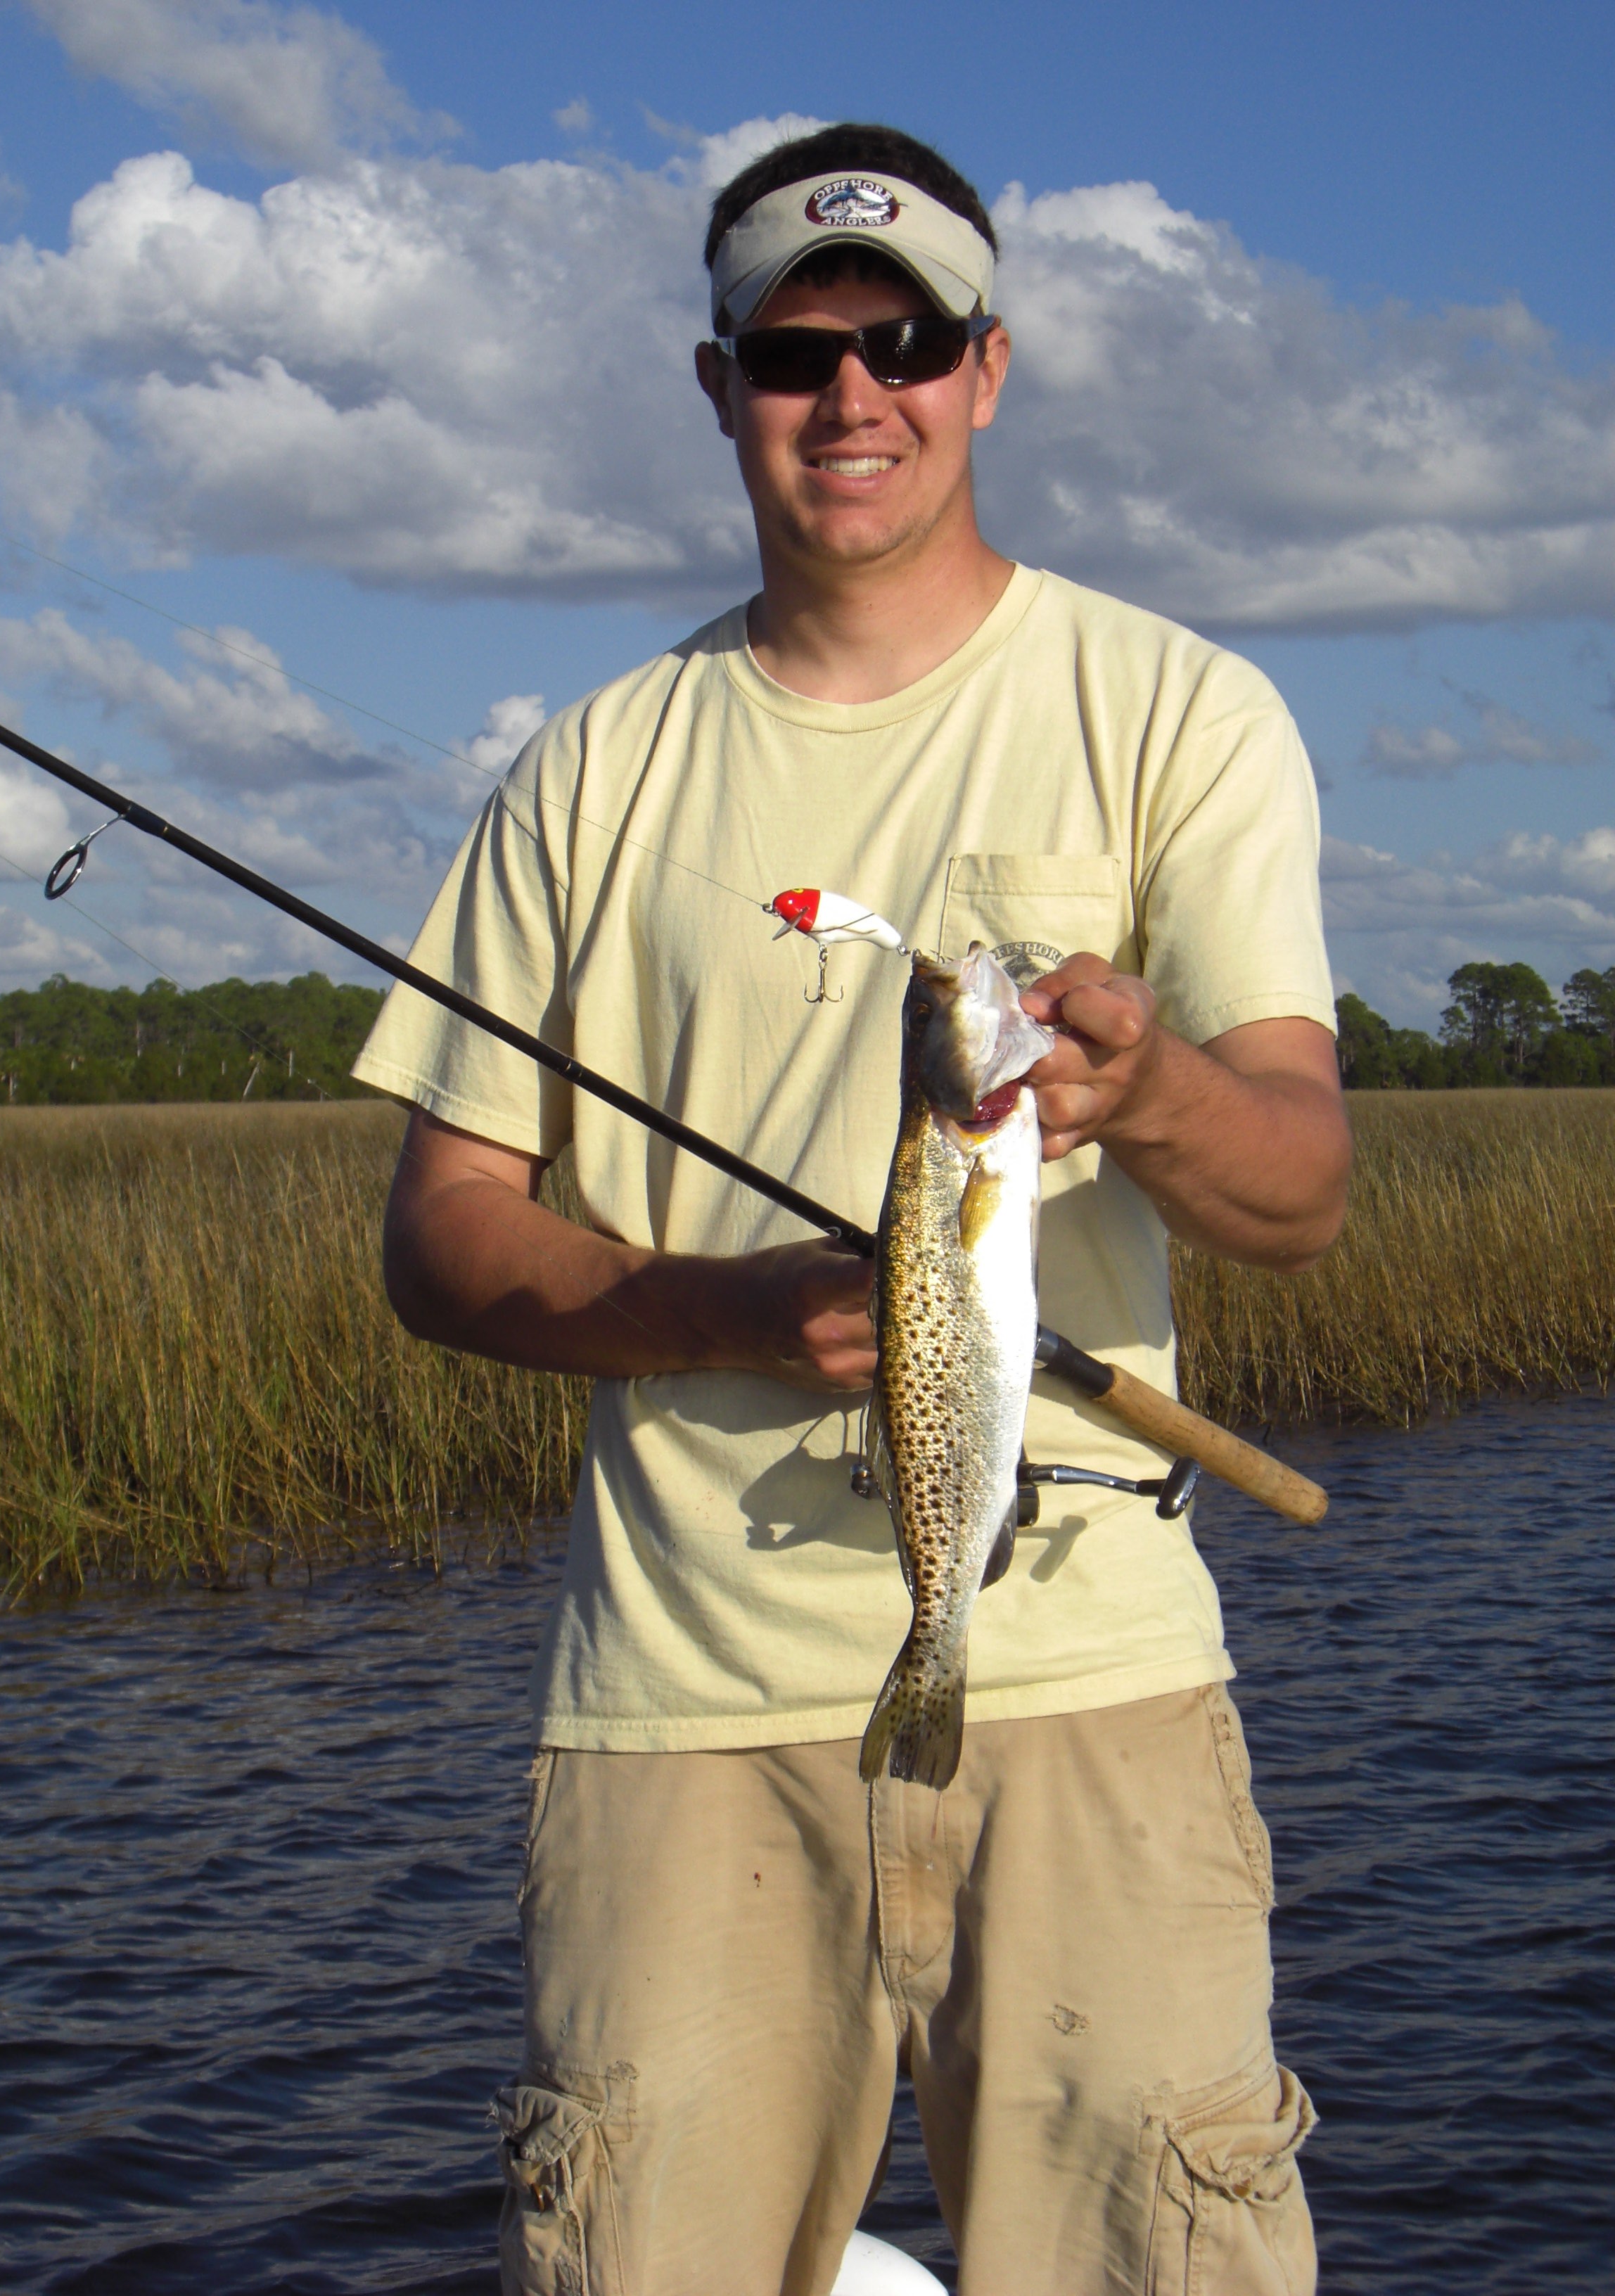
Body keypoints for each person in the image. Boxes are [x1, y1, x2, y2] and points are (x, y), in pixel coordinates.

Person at [353, 120, 1350, 2296]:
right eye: (795, 352)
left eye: (905, 340)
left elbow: (1296, 1184)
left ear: (988, 367)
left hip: (1097, 1690)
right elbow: (442, 1235)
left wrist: (1154, 1084)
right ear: (719, 388)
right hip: (676, 1716)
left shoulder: (1179, 707)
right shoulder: (592, 765)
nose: (853, 394)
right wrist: (722, 1310)